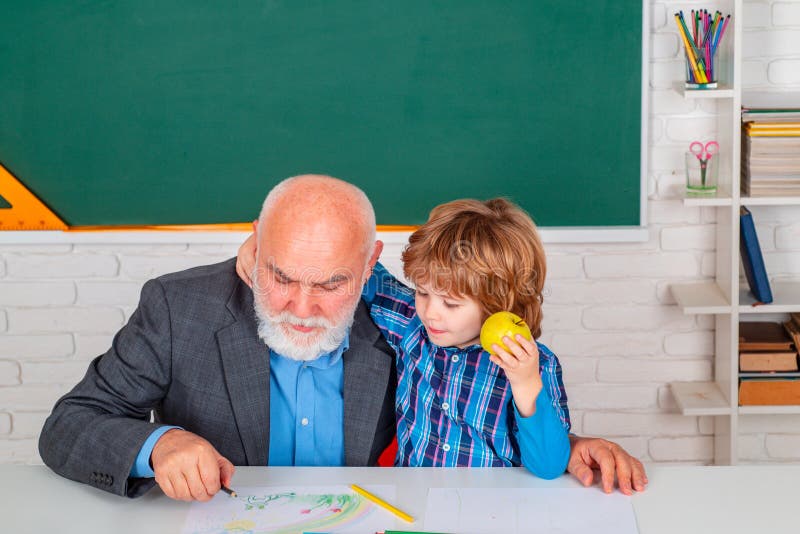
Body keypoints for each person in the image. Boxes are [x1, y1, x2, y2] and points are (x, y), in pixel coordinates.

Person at [236, 191, 648, 494]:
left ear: (499, 303)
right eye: (423, 292)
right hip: (414, 508)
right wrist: (271, 246)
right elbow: (357, 268)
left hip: (497, 511)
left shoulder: (531, 364)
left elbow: (548, 465)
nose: (431, 312)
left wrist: (525, 385)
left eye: (451, 303)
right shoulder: (413, 328)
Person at [39, 175, 396, 500]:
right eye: (280, 277)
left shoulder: (409, 322)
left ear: (370, 264)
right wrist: (158, 446)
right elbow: (67, 425)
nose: (301, 309)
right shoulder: (177, 308)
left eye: (331, 284)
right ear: (257, 243)